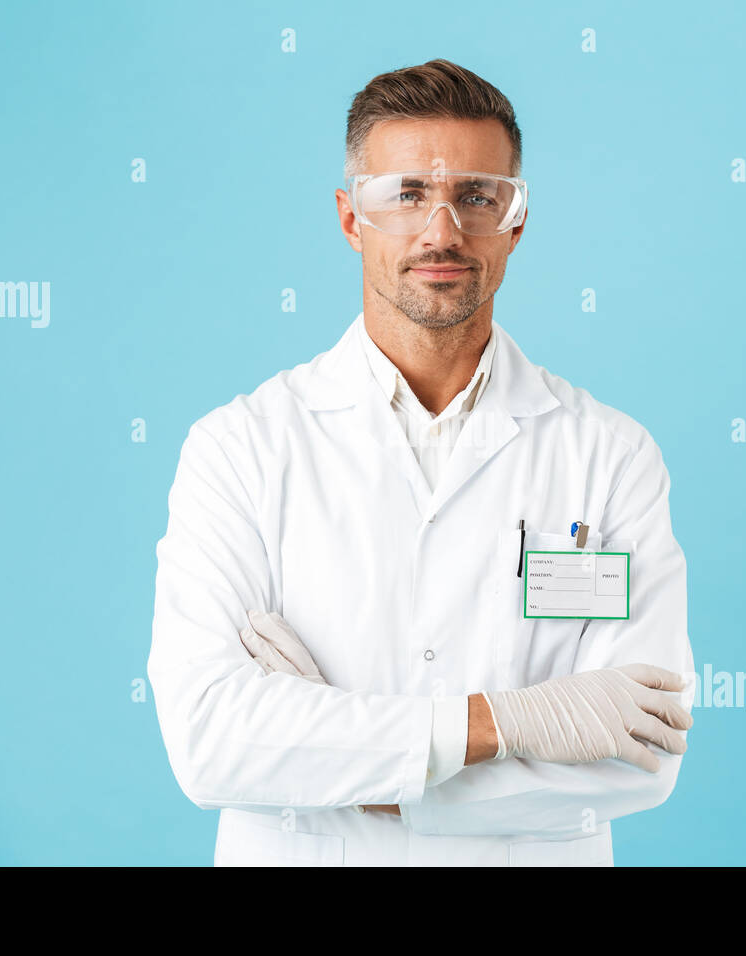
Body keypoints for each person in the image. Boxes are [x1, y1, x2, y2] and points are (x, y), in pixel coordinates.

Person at [148, 58, 695, 866]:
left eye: (477, 196)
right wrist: (501, 724)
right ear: (348, 218)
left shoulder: (610, 456)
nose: (441, 231)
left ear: (516, 221)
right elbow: (211, 740)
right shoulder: (240, 449)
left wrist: (346, 764)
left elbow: (639, 753)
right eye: (405, 194)